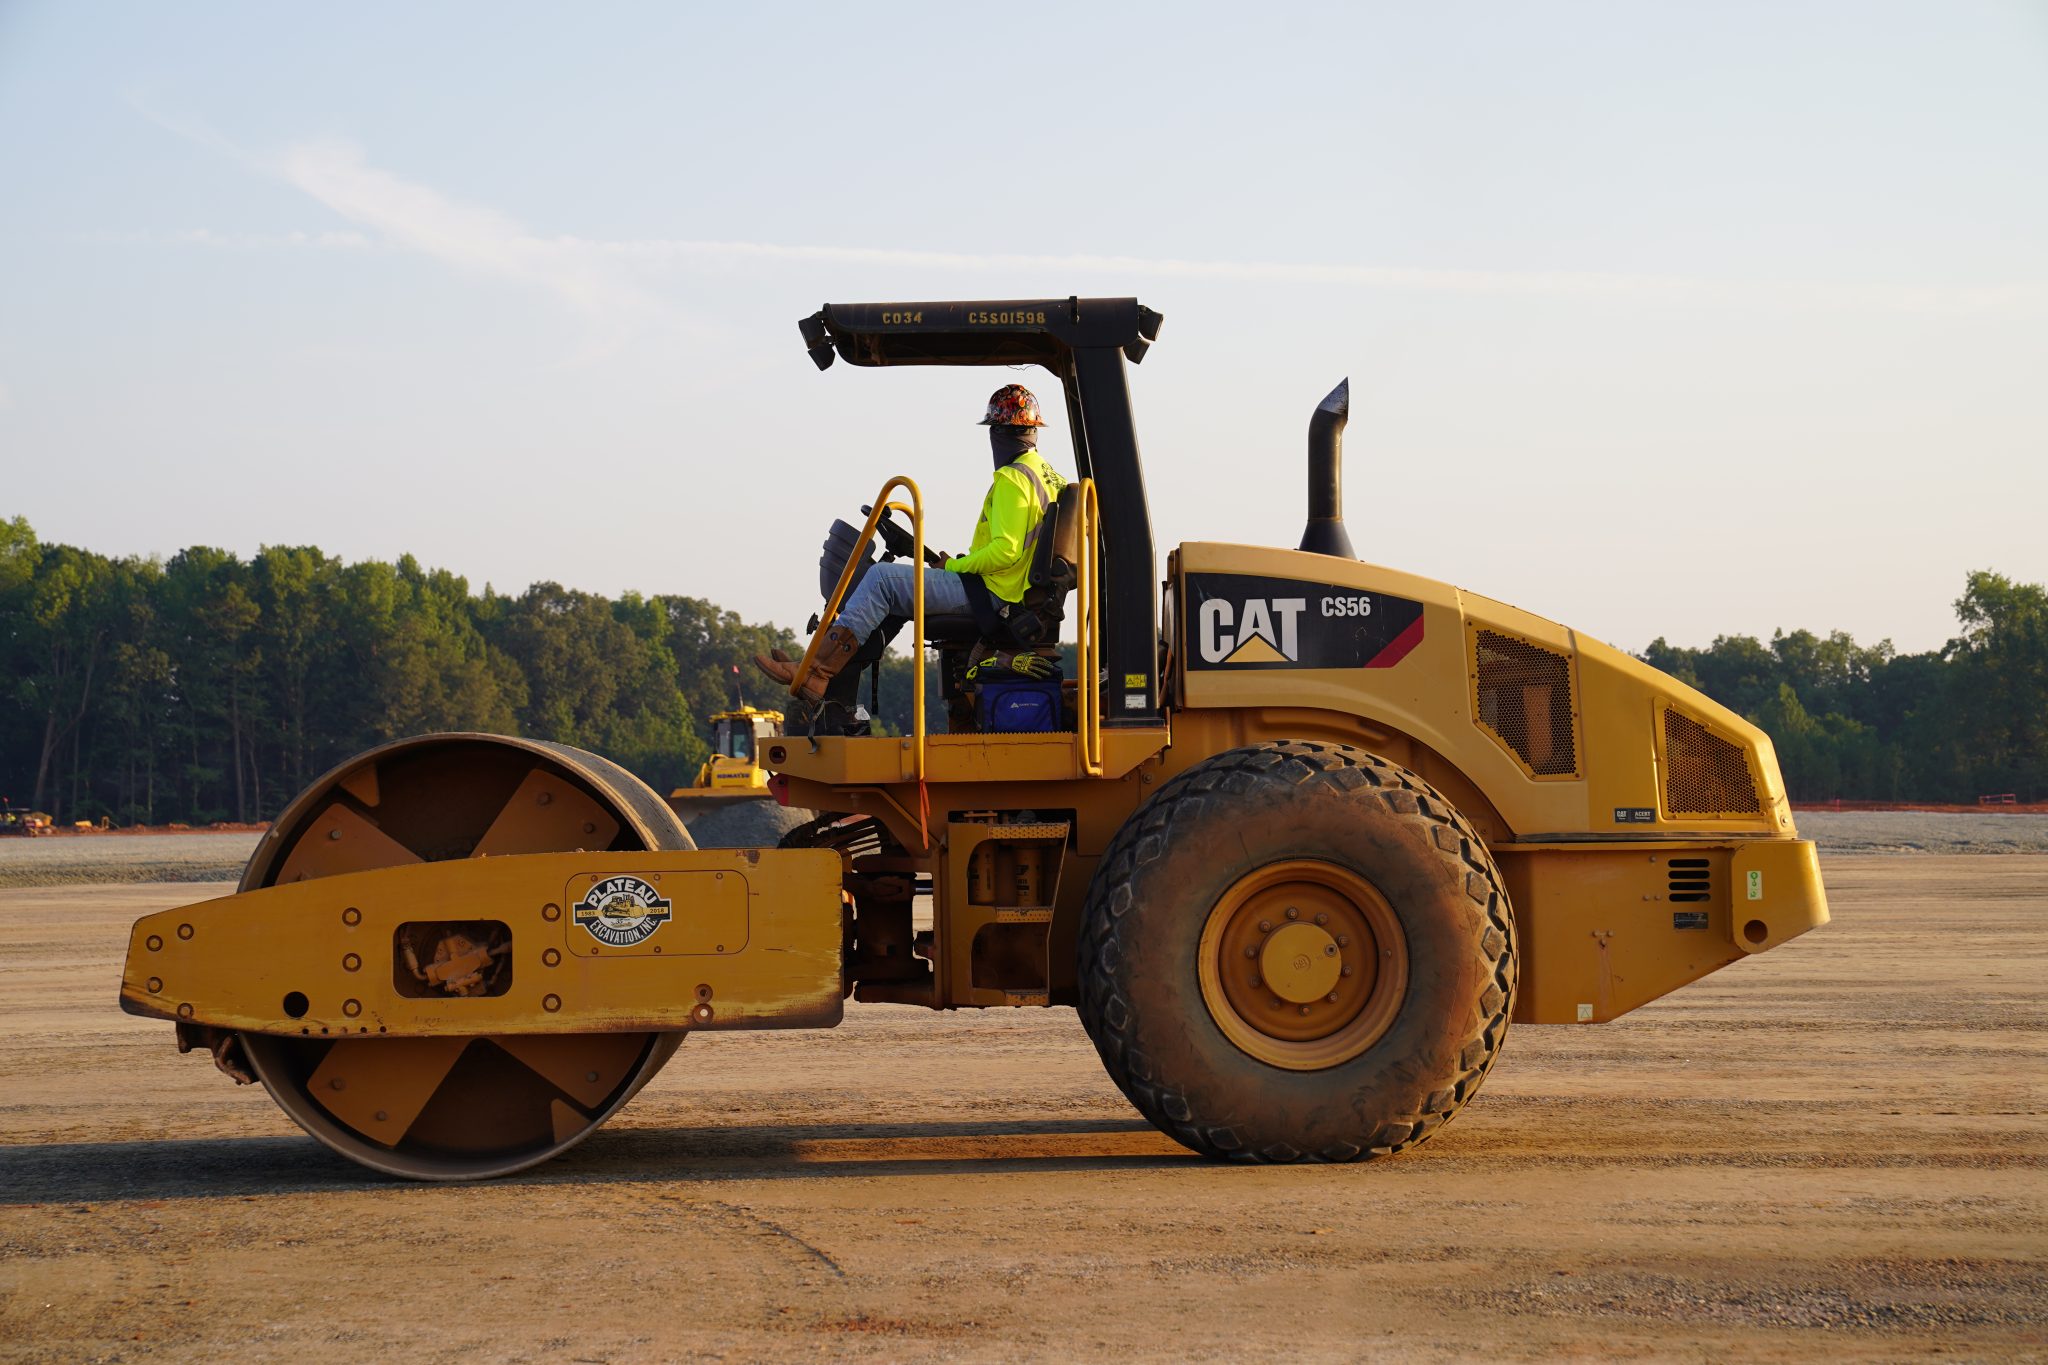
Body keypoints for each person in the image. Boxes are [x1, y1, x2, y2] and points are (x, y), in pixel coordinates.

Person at [756, 383, 1067, 702]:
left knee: (881, 580)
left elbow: (1006, 551)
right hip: (1010, 590)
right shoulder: (1047, 475)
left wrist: (954, 566)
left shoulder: (1013, 479)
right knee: (894, 589)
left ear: (999, 432)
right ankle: (825, 676)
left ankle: (814, 672)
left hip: (994, 593)